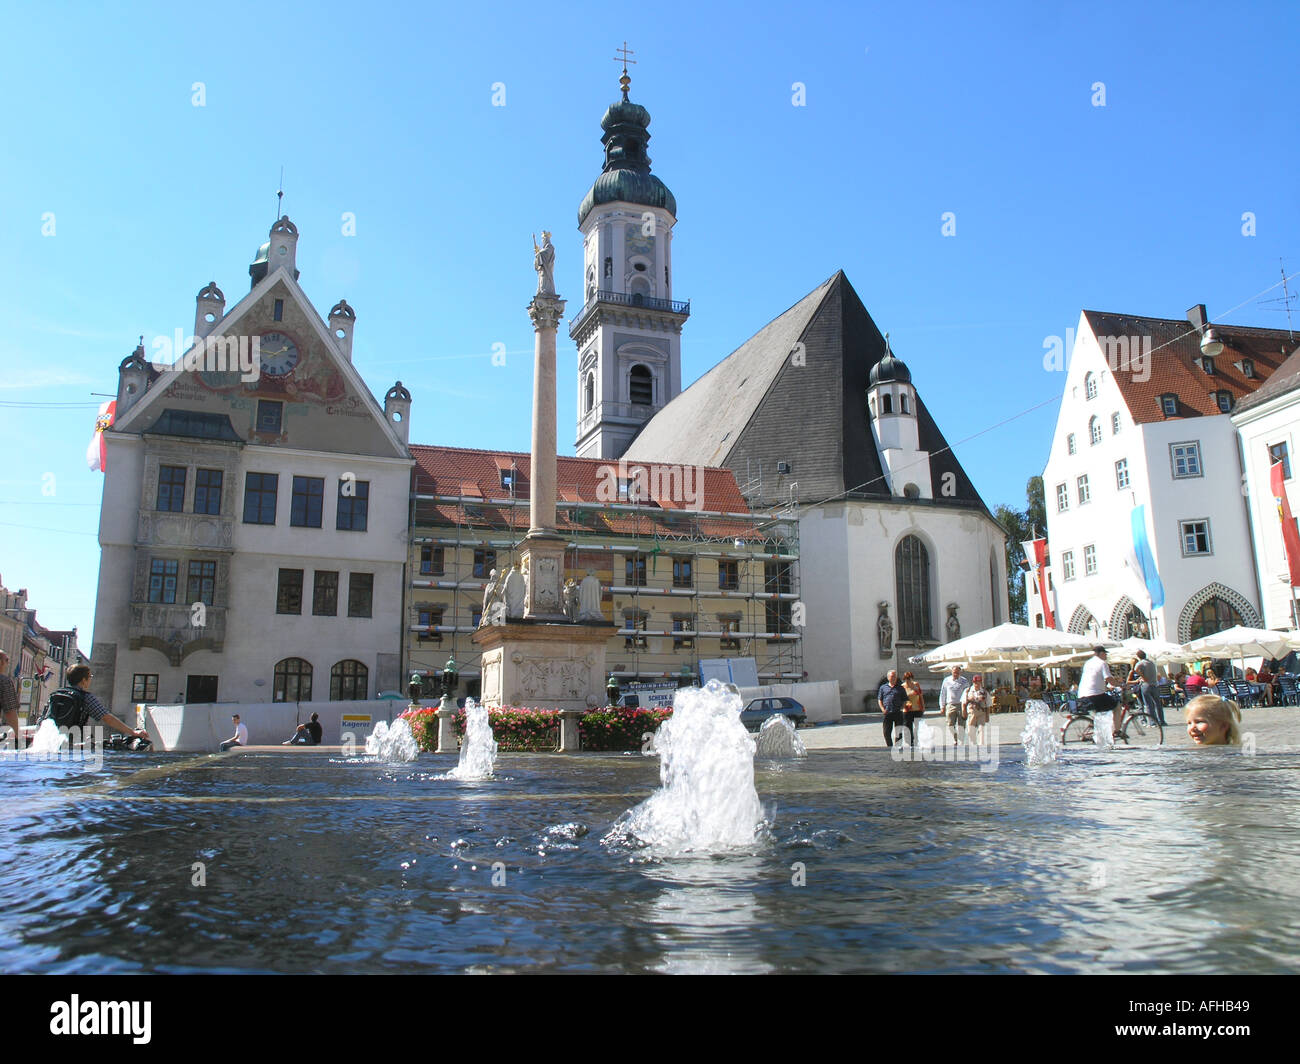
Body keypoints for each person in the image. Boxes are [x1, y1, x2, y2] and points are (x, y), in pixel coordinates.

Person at [44, 664, 150, 743]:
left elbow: (44, 718)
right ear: (83, 680)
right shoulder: (85, 697)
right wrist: (133, 732)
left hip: (50, 739)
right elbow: (107, 718)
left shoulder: (56, 694)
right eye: (90, 677)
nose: (90, 680)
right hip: (71, 742)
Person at [1078, 645, 1123, 738]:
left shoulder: (1087, 663)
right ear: (1102, 653)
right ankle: (1117, 731)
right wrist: (1120, 685)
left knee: (1103, 711)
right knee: (1117, 706)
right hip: (1095, 695)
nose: (1106, 656)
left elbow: (1094, 679)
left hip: (1083, 694)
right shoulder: (1102, 663)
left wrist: (1105, 688)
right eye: (1105, 654)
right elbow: (1109, 678)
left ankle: (1098, 726)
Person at [1126, 649, 1165, 726]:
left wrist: (1142, 676)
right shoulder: (1151, 663)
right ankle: (1162, 721)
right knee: (1158, 704)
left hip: (1146, 685)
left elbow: (1136, 669)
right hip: (1155, 684)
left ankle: (1153, 722)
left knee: (1149, 705)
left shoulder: (1140, 663)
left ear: (1138, 656)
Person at [939, 664, 970, 744]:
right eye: (954, 672)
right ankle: (955, 738)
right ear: (951, 672)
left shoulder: (964, 681)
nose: (955, 674)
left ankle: (961, 740)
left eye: (957, 673)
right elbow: (943, 693)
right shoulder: (946, 680)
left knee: (961, 724)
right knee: (950, 724)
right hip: (950, 705)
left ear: (960, 672)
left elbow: (968, 694)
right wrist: (942, 706)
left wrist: (967, 705)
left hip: (961, 705)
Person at [877, 669, 908, 748]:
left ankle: (898, 746)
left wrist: (902, 708)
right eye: (892, 676)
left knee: (899, 732)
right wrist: (882, 709)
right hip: (887, 712)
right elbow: (880, 699)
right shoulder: (883, 687)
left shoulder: (900, 688)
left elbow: (905, 699)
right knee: (886, 732)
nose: (894, 678)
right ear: (888, 678)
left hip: (897, 712)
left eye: (895, 676)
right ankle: (890, 746)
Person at [961, 674, 991, 745]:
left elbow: (988, 705)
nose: (977, 683)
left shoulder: (984, 692)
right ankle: (973, 743)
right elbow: (963, 703)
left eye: (978, 682)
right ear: (973, 682)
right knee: (970, 730)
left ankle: (981, 745)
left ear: (981, 682)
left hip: (981, 712)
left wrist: (987, 716)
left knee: (981, 730)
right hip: (971, 712)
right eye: (975, 682)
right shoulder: (968, 691)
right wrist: (963, 713)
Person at [0, 651, 21, 749]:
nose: (8, 663)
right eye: (7, 660)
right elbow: (10, 712)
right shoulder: (4, 681)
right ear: (1, 662)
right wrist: (18, 736)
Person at [901, 671, 926, 746]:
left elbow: (921, 696)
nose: (908, 680)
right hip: (907, 709)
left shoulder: (916, 684)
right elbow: (902, 698)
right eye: (906, 679)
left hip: (917, 708)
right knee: (907, 726)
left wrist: (923, 706)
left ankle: (917, 740)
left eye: (909, 678)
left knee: (917, 726)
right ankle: (910, 741)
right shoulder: (902, 686)